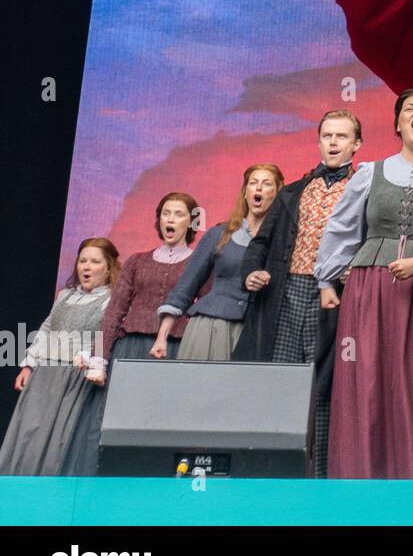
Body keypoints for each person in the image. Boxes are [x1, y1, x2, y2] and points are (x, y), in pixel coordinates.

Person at [316, 89, 413, 479]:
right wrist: (326, 281)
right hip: (370, 289)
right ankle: (360, 475)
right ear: (398, 124)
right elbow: (342, 228)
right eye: (408, 110)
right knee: (365, 376)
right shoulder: (371, 172)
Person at [235, 110, 362, 477]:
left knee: (323, 386)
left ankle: (319, 477)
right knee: (282, 380)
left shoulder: (364, 188)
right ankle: (273, 473)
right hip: (286, 292)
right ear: (319, 140)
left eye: (342, 136)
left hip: (334, 297)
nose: (334, 143)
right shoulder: (293, 190)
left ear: (357, 144)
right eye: (327, 136)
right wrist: (251, 274)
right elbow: (260, 244)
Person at [62, 193, 199, 475]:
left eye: (178, 214)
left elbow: (206, 306)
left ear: (191, 222)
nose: (170, 219)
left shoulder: (200, 263)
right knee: (116, 419)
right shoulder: (137, 262)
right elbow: (114, 312)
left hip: (174, 351)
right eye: (166, 214)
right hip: (132, 350)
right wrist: (100, 358)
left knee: (164, 421)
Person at [0, 239, 118, 475]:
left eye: (95, 262)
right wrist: (28, 366)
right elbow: (46, 329)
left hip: (73, 377)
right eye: (83, 261)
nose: (86, 266)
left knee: (58, 437)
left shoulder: (110, 299)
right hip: (44, 373)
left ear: (108, 268)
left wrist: (91, 357)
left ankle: (48, 488)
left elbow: (109, 334)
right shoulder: (65, 295)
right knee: (28, 431)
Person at [156, 166, 283, 360]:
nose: (258, 189)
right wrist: (162, 337)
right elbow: (186, 287)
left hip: (256, 331)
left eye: (266, 184)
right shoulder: (219, 234)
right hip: (211, 327)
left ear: (277, 193)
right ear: (245, 193)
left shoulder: (283, 242)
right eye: (253, 183)